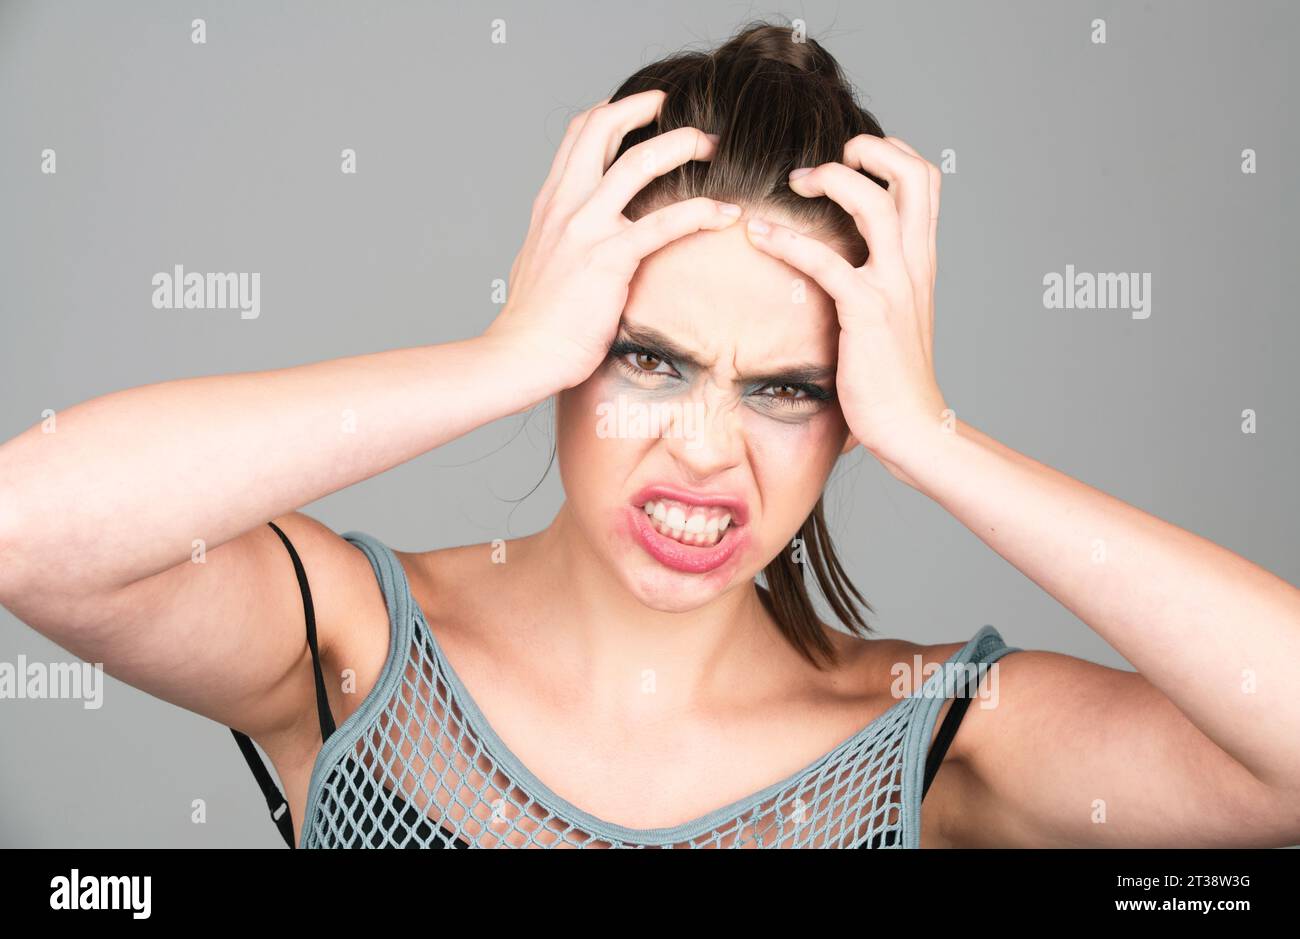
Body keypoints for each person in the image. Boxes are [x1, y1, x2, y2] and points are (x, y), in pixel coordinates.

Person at [2, 20, 1297, 849]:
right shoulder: (357, 646)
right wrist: (500, 356)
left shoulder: (938, 738)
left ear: (849, 417)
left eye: (785, 387)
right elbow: (30, 531)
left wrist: (938, 436)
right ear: (572, 356)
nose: (704, 454)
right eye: (648, 359)